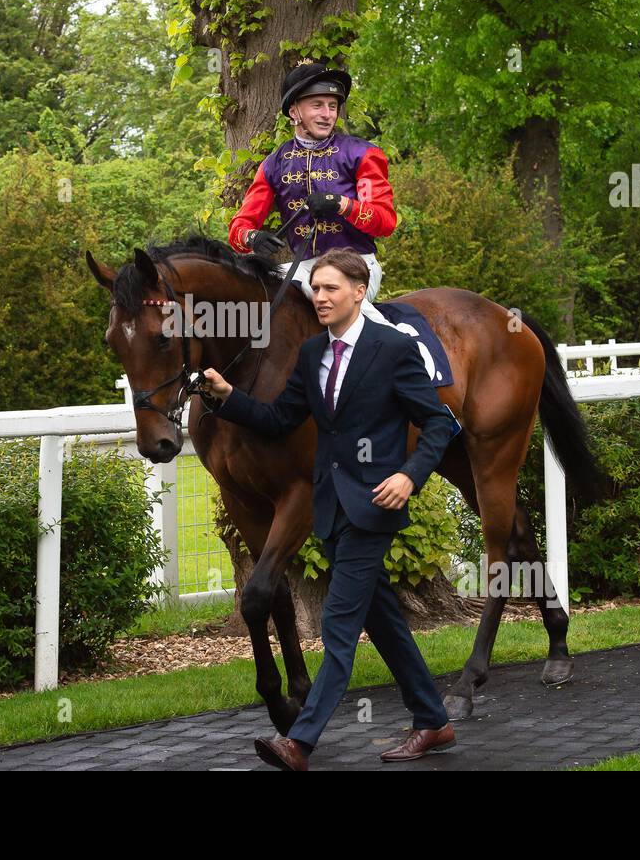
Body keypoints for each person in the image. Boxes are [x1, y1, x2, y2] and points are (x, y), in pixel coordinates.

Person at [200, 248, 459, 771]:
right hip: (330, 508)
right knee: (380, 617)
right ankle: (433, 720)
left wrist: (409, 475)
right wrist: (227, 396)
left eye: (331, 288)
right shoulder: (313, 351)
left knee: (339, 627)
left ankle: (300, 741)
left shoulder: (392, 348)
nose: (319, 297)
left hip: (374, 505)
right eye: (315, 288)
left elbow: (439, 423)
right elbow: (279, 419)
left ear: (359, 292)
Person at [229, 60, 440, 381]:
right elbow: (239, 227)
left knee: (328, 291)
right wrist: (253, 239)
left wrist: (342, 204)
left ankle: (416, 373)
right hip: (302, 268)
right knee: (256, 295)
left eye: (332, 106)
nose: (328, 114)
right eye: (317, 106)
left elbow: (384, 221)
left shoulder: (363, 154)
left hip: (357, 265)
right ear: (294, 112)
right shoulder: (274, 164)